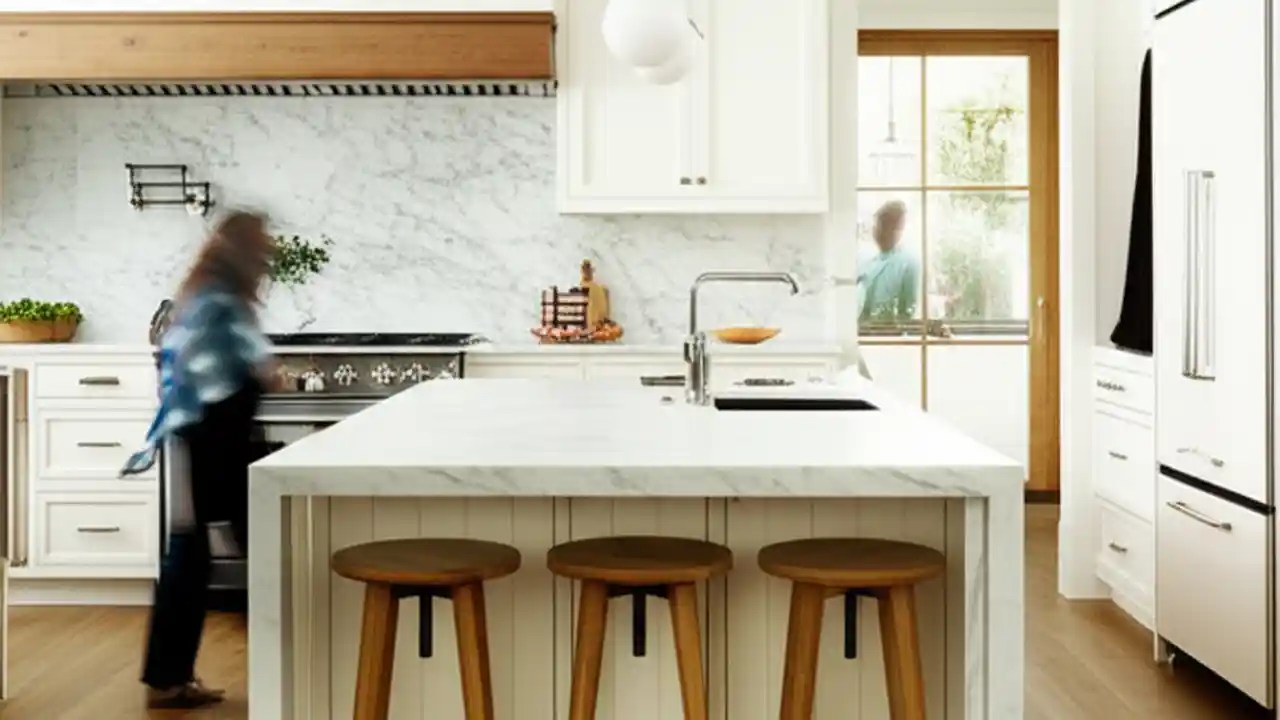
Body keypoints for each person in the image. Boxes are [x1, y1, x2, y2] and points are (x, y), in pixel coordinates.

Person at [121, 211, 279, 709]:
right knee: (212, 553)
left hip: (208, 437)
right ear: (245, 251)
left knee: (211, 552)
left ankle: (170, 678)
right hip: (209, 436)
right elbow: (256, 366)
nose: (269, 253)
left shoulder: (206, 293)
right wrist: (273, 375)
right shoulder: (221, 300)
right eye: (263, 246)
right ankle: (294, 665)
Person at [857, 200, 920, 323]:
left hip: (889, 335)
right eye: (877, 225)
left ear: (898, 229)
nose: (878, 231)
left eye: (885, 226)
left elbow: (908, 310)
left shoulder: (909, 264)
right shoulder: (865, 261)